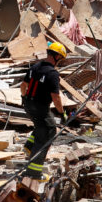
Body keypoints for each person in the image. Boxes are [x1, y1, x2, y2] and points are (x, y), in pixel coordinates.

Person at [21, 41, 67, 181]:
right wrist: (62, 113)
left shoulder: (35, 67)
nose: (60, 62)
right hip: (40, 107)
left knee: (41, 126)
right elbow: (56, 97)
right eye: (60, 59)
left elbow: (23, 85)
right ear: (57, 57)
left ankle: (29, 146)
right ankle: (34, 173)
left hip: (28, 104)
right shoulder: (52, 74)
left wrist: (24, 98)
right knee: (48, 132)